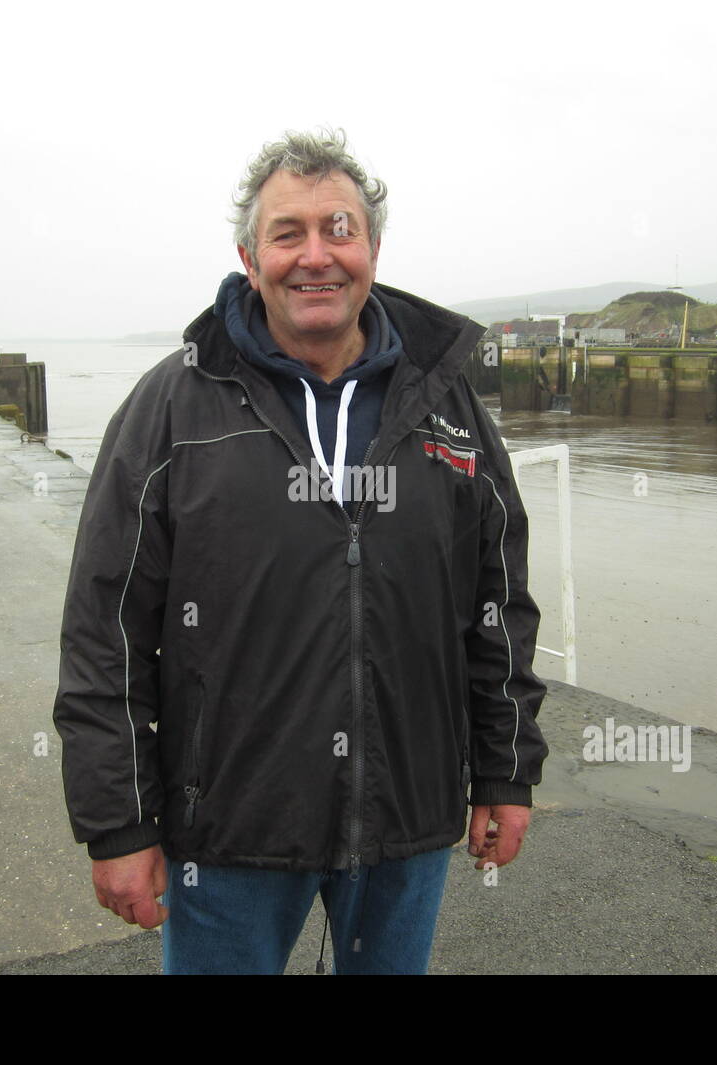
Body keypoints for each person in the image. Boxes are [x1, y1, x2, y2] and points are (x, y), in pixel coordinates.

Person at [53, 128, 548, 975]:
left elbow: (499, 601)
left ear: (374, 250)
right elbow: (107, 627)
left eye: (339, 229)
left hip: (408, 820)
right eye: (288, 233)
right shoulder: (173, 407)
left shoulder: (450, 403)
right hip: (230, 830)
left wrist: (505, 771)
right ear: (250, 258)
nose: (316, 255)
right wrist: (121, 822)